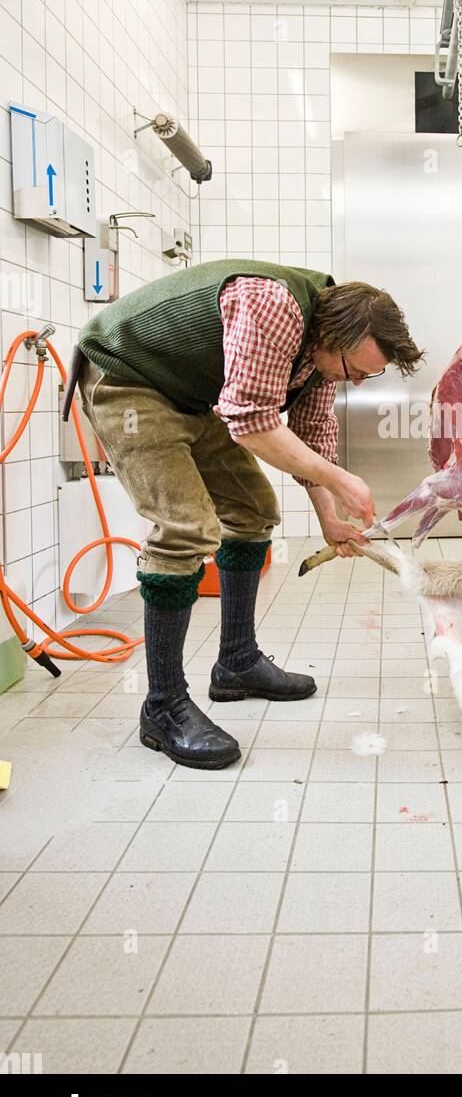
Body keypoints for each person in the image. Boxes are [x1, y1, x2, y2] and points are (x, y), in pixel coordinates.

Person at [73, 259, 424, 770]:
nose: (358, 383)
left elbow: (312, 434)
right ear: (332, 334)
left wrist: (329, 517)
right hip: (129, 378)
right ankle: (163, 707)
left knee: (253, 509)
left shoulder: (324, 350)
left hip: (191, 398)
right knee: (186, 528)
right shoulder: (273, 305)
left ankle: (236, 661)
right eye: (356, 372)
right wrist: (340, 481)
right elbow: (251, 421)